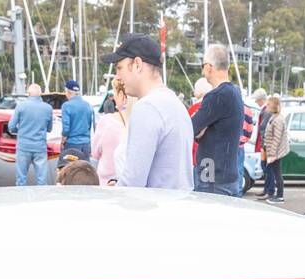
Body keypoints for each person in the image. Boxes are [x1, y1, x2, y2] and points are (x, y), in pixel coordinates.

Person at [103, 33, 193, 190]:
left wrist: (115, 192)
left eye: (119, 68)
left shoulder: (147, 107)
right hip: (178, 205)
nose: (117, 77)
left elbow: (133, 183)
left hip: (155, 209)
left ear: (137, 64)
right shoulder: (175, 103)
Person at [190, 43, 244, 195]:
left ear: (208, 67)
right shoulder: (235, 93)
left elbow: (191, 128)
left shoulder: (216, 96)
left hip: (212, 177)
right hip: (228, 175)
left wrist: (201, 128)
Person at [7, 83, 53, 185]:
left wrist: (19, 130)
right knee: (42, 180)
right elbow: (49, 129)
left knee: (21, 179)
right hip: (40, 147)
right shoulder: (48, 108)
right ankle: (41, 199)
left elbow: (11, 126)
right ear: (40, 94)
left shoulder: (21, 106)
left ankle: (23, 199)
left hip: (24, 146)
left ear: (28, 93)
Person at [92, 78, 129, 185]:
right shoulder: (139, 121)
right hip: (128, 183)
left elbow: (95, 152)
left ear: (121, 95)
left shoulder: (106, 121)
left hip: (107, 181)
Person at [259, 93, 288, 204]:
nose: (266, 106)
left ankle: (280, 196)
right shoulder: (274, 117)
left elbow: (276, 139)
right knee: (274, 172)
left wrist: (272, 154)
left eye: (268, 104)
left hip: (276, 152)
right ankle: (276, 194)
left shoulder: (278, 119)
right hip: (273, 151)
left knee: (277, 174)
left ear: (272, 106)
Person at [60, 78, 95, 164]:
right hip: (86, 144)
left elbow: (66, 129)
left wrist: (63, 140)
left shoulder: (66, 106)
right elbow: (90, 126)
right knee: (86, 171)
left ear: (68, 92)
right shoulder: (88, 105)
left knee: (71, 172)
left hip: (72, 144)